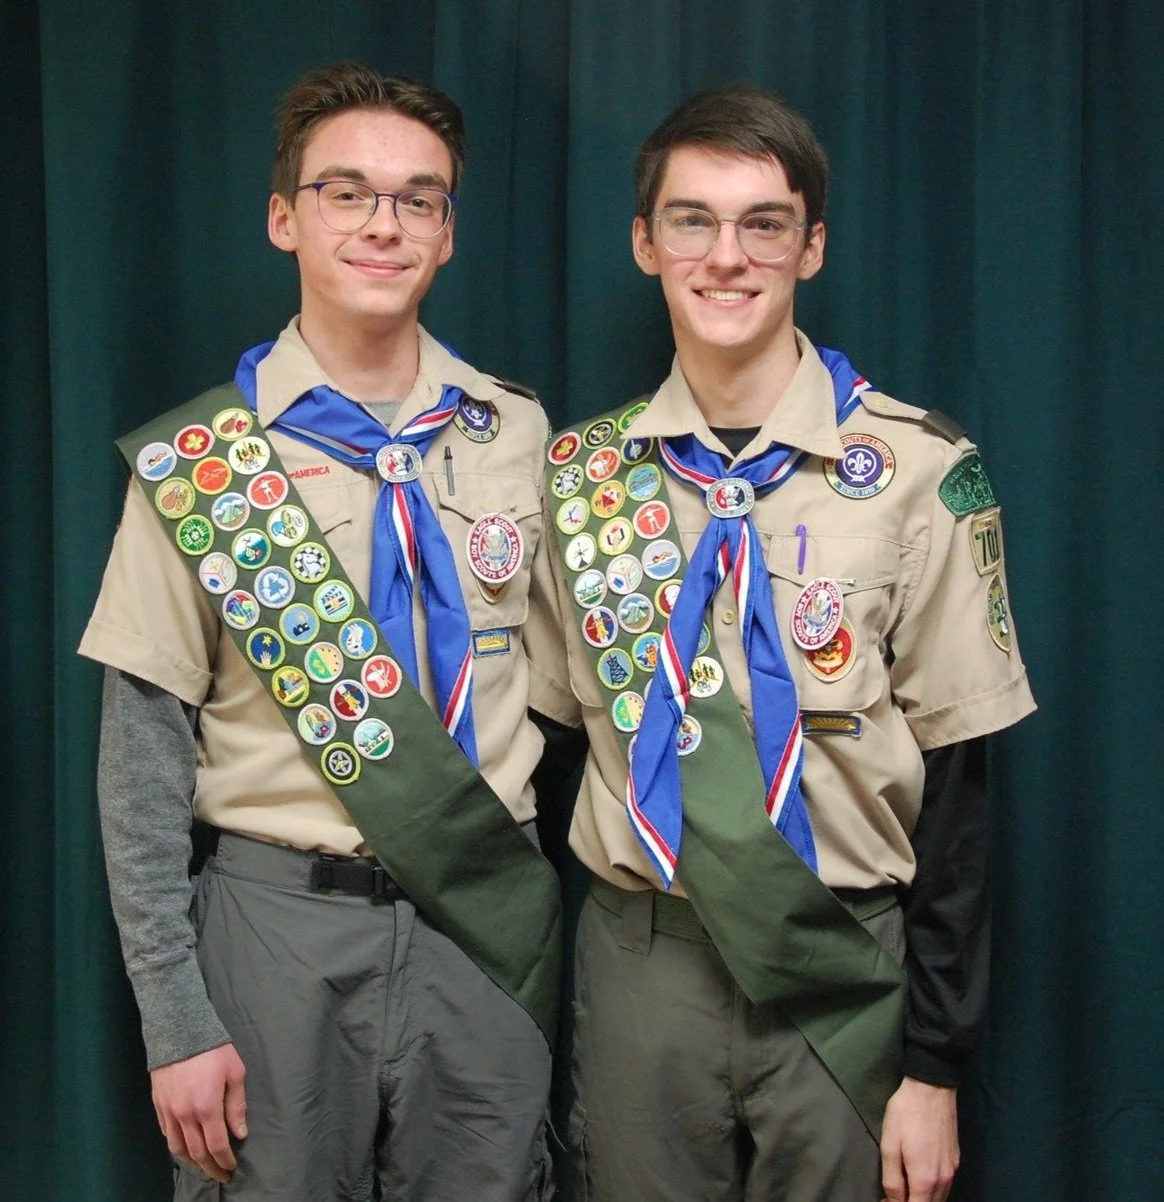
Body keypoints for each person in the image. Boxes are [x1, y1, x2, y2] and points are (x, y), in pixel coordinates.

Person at [524, 85, 1036, 1202]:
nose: (727, 255)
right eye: (693, 219)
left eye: (764, 222)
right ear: (645, 242)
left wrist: (936, 1065)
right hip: (644, 957)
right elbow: (549, 742)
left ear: (811, 245)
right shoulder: (580, 479)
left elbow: (962, 787)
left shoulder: (921, 469)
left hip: (840, 960)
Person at [80, 62, 562, 1200]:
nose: (382, 224)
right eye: (346, 192)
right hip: (275, 928)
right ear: (284, 217)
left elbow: (572, 697)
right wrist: (174, 1017)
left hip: (483, 926)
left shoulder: (518, 430)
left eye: (418, 199)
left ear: (447, 233)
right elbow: (141, 756)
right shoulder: (207, 462)